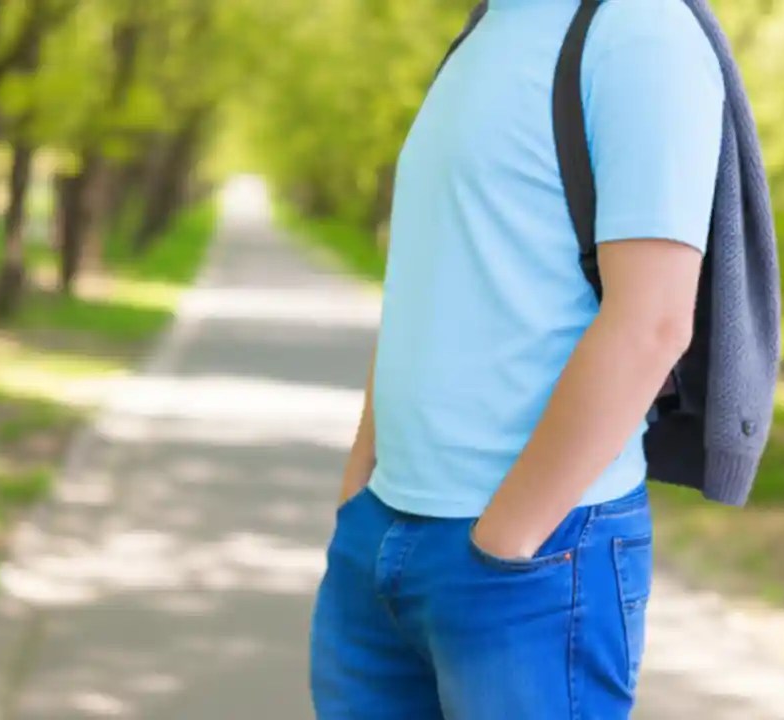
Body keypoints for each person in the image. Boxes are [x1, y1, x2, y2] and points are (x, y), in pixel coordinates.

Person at [310, 0, 732, 716]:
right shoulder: (487, 28)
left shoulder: (640, 28)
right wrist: (362, 486)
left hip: (532, 560)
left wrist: (509, 538)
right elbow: (429, 276)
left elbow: (654, 320)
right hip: (381, 536)